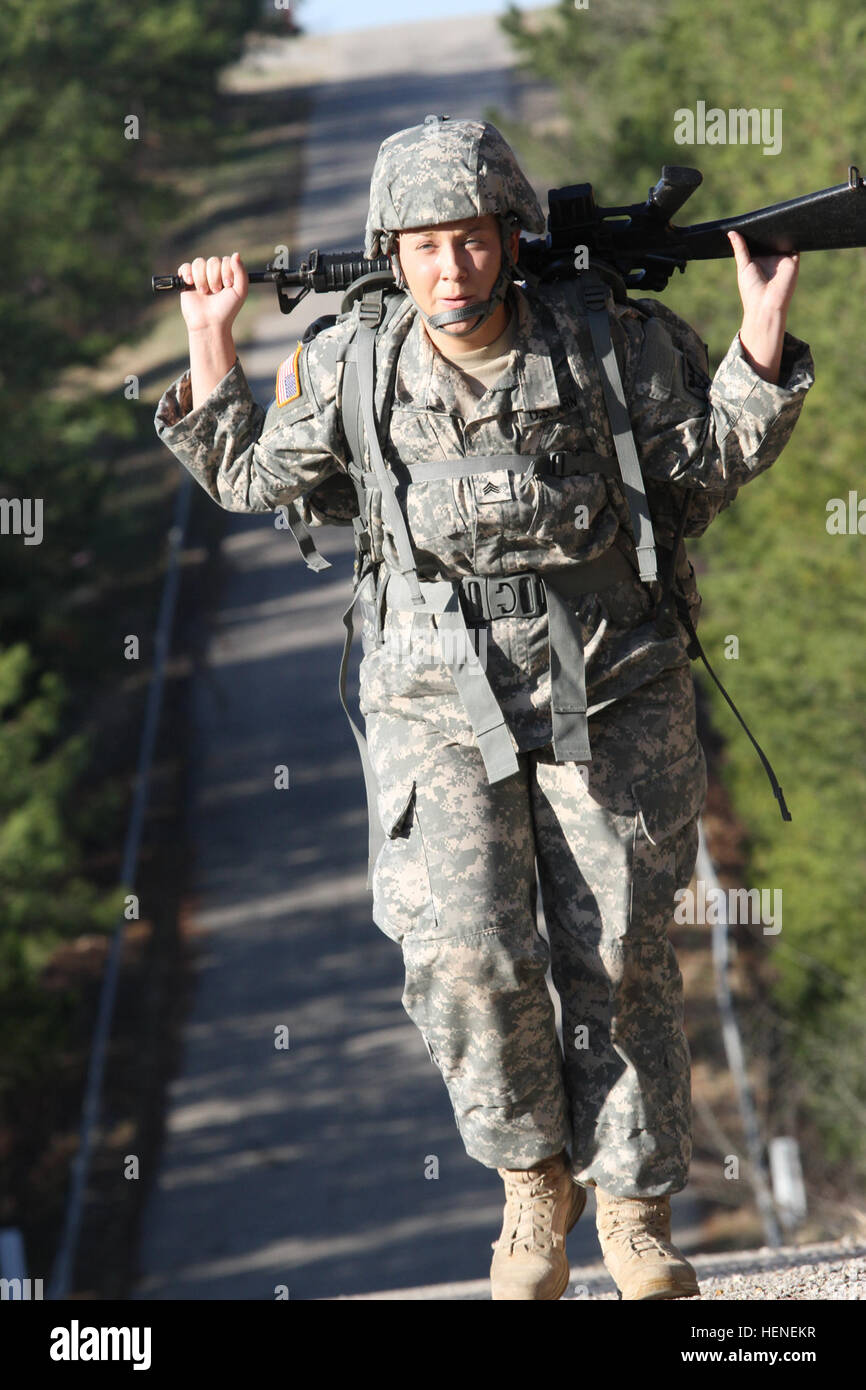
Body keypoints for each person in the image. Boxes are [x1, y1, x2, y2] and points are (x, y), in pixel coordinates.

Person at [154, 115, 812, 1300]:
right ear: (389, 255)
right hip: (432, 700)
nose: (448, 269)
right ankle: (529, 1187)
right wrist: (212, 347)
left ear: (508, 238)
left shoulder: (607, 340)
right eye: (421, 246)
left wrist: (758, 335)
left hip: (609, 683)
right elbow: (255, 478)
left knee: (618, 953)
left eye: (468, 240)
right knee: (462, 954)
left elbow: (701, 469)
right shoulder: (355, 361)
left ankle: (630, 1207)